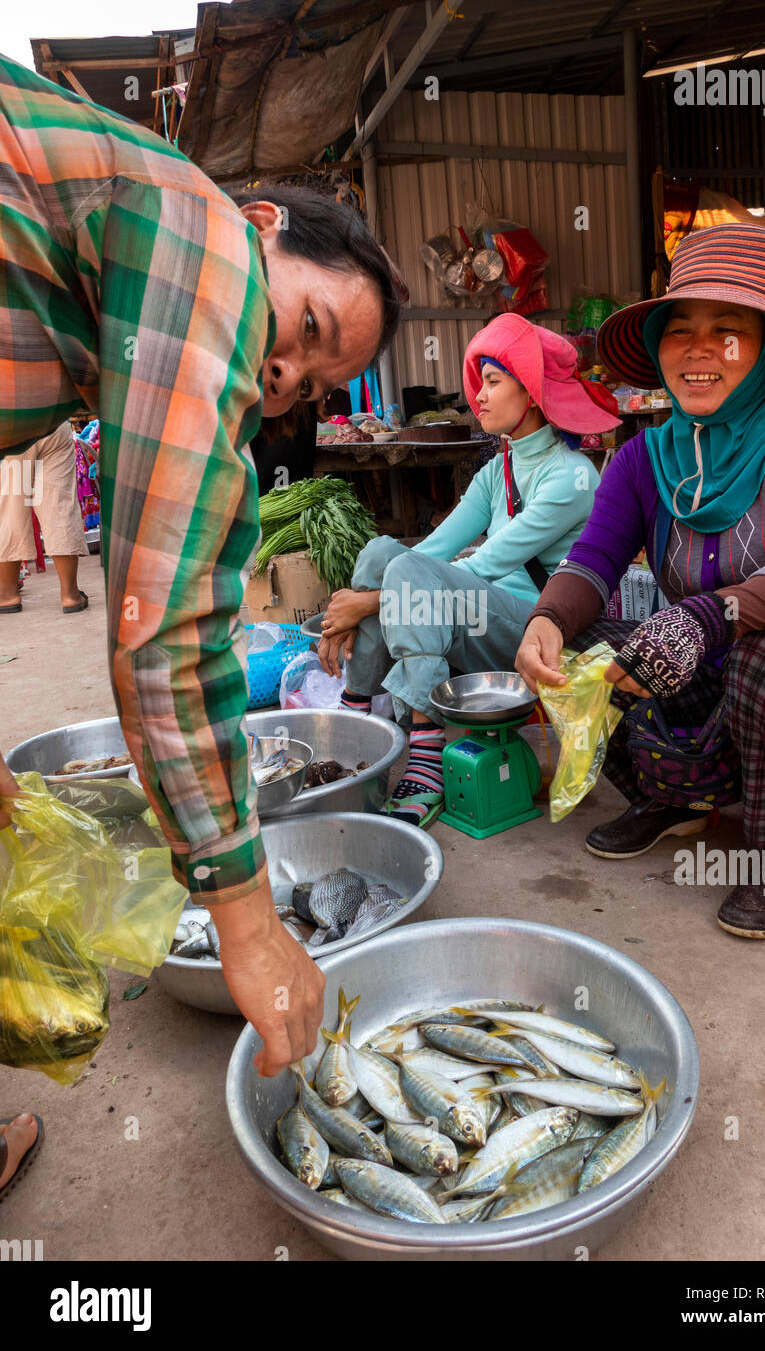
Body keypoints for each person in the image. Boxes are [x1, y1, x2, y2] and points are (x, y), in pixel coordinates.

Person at [0, 54, 400, 1069]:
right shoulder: (203, 241)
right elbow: (168, 625)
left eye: (311, 383)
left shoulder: (108, 291)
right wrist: (245, 914)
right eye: (309, 329)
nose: (284, 376)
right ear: (262, 222)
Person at [516, 222, 765, 939]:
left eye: (729, 329)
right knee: (587, 649)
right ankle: (672, 795)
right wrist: (546, 621)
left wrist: (703, 618)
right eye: (680, 330)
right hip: (721, 682)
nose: (699, 350)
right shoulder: (644, 457)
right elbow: (591, 561)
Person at [317, 312, 618, 826]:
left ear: (533, 392)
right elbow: (431, 551)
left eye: (494, 381)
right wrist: (371, 590)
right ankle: (358, 711)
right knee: (383, 552)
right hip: (481, 615)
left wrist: (363, 605)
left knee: (408, 576)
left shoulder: (572, 476)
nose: (478, 394)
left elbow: (485, 564)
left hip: (537, 632)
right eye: (480, 381)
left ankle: (427, 758)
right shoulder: (495, 471)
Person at [0, 420, 90, 613]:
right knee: (58, 506)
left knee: (12, 506)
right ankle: (70, 595)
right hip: (53, 419)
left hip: (12, 425)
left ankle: (7, 594)